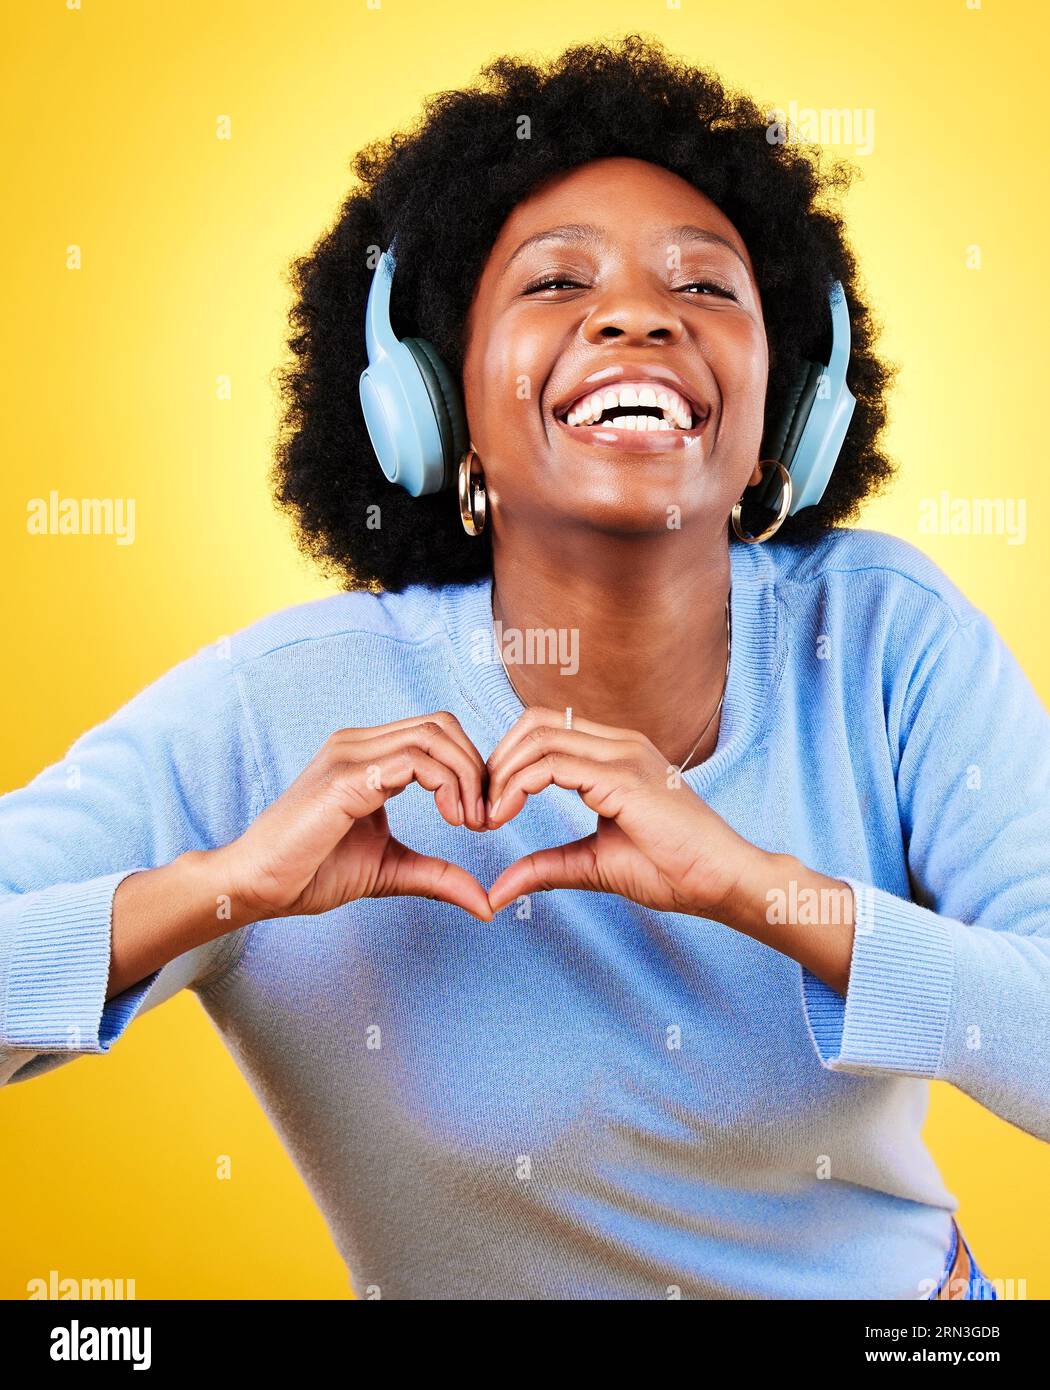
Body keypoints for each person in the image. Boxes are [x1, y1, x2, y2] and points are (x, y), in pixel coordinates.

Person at [1, 36, 1041, 1300]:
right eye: (555, 284)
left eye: (707, 289)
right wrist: (221, 888)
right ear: (436, 413)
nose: (639, 313)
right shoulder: (284, 707)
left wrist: (755, 887)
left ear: (789, 421)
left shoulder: (884, 637)